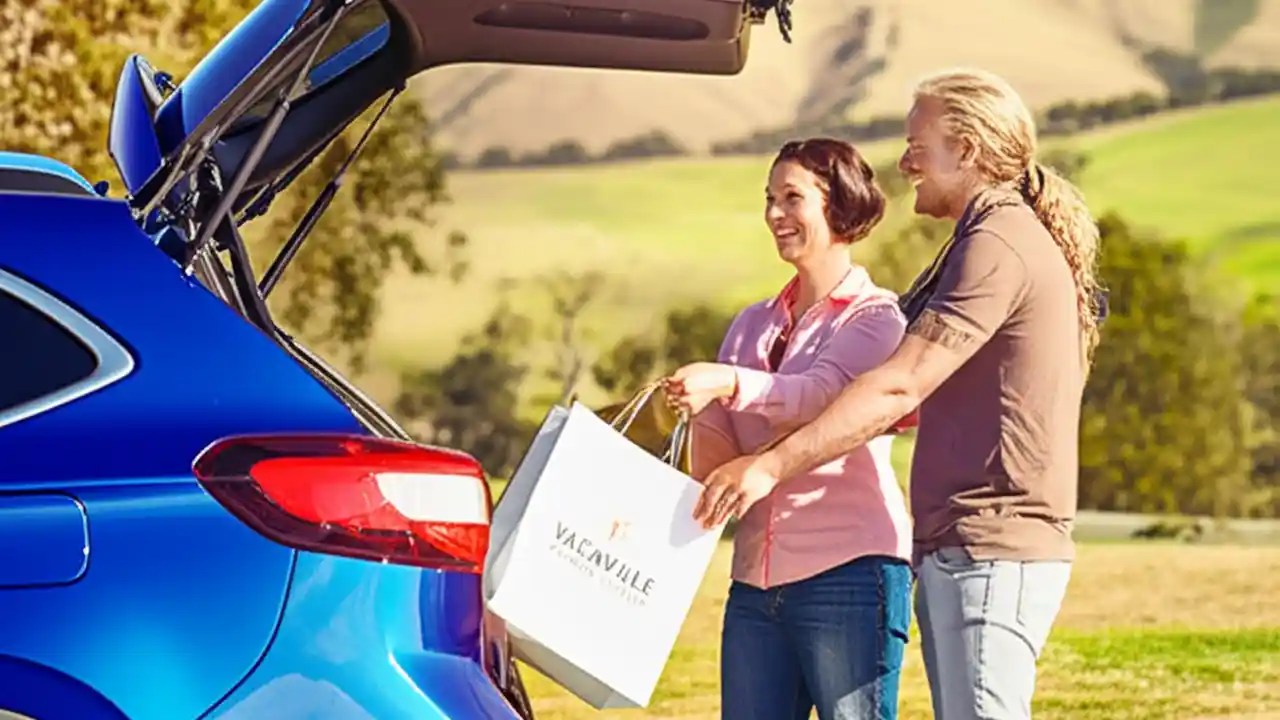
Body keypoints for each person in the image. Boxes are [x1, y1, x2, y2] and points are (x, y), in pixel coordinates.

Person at [693, 68, 1104, 720]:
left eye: (919, 143)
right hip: (964, 544)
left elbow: (898, 385)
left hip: (993, 543)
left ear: (966, 149)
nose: (906, 160)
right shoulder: (983, 240)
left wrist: (769, 464)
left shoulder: (997, 241)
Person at [664, 137, 914, 720]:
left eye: (792, 198)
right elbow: (715, 469)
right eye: (769, 199)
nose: (775, 214)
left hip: (849, 576)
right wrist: (698, 407)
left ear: (839, 206)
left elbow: (823, 396)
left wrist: (727, 382)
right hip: (754, 587)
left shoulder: (876, 318)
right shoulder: (751, 324)